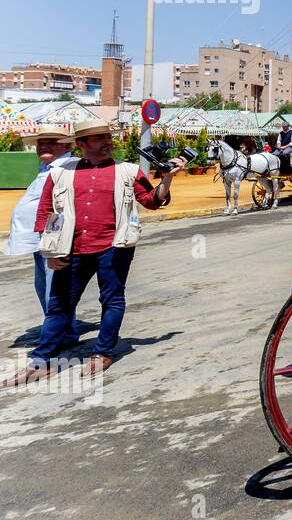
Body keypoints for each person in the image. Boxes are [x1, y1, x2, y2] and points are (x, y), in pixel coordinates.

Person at [2, 122, 183, 385]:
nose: (107, 142)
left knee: (111, 300)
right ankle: (42, 361)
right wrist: (50, 250)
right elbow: (45, 213)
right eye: (99, 138)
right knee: (59, 306)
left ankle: (102, 352)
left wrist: (167, 178)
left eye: (108, 137)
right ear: (82, 145)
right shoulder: (61, 174)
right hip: (71, 249)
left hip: (114, 248)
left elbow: (152, 201)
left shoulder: (128, 171)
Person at [5, 128, 77, 315]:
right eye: (41, 143)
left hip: (53, 238)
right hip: (40, 238)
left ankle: (59, 334)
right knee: (44, 286)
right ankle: (57, 329)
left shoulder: (69, 167)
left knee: (55, 289)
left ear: (67, 145)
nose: (44, 146)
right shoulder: (49, 168)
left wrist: (54, 242)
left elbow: (64, 207)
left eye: (51, 142)